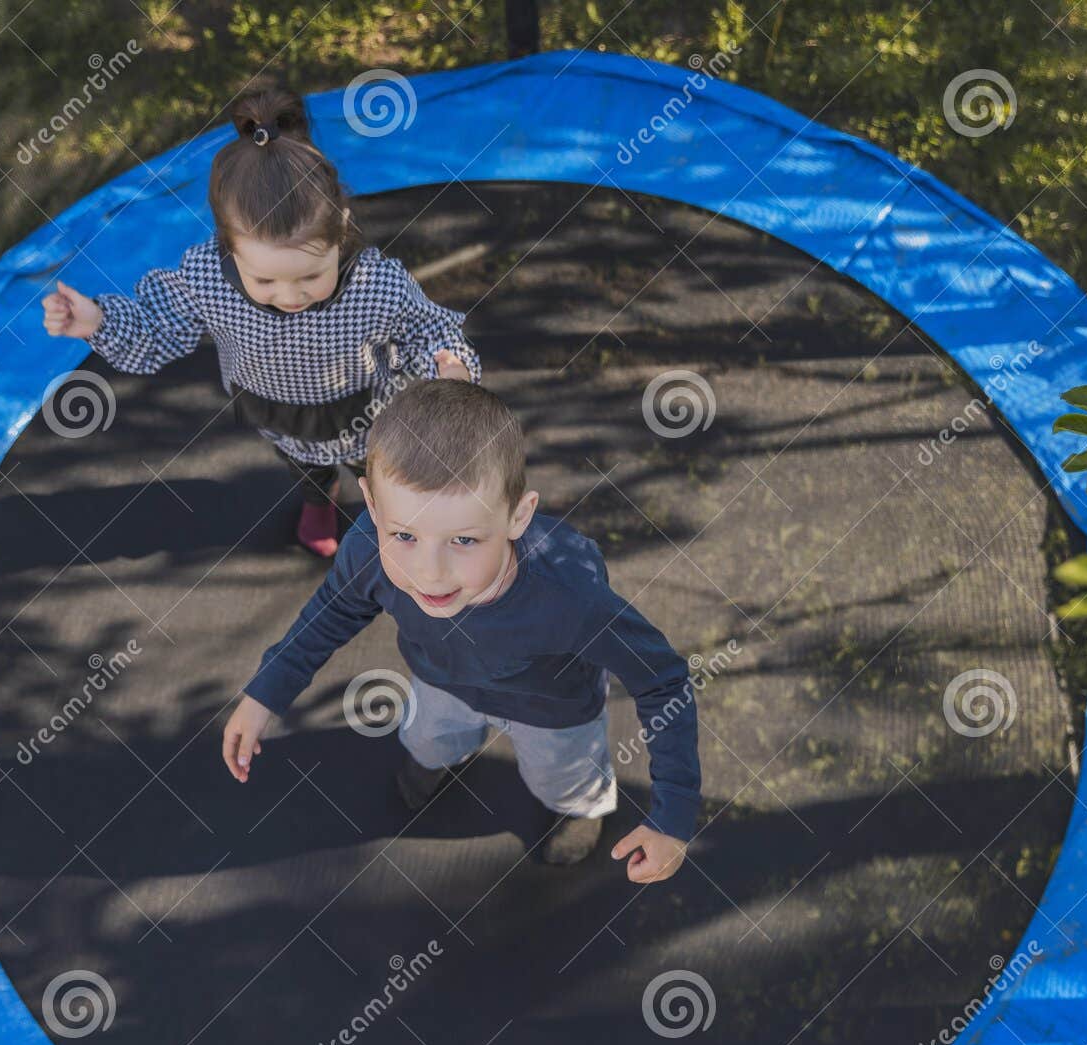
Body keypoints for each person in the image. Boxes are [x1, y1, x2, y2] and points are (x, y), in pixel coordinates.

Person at [222, 379, 700, 880]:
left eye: (464, 540)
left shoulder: (571, 598)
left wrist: (672, 817)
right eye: (404, 534)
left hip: (553, 711)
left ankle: (576, 807)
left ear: (518, 516)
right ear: (371, 502)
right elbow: (330, 614)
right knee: (428, 741)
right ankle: (439, 759)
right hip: (440, 681)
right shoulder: (368, 549)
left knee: (564, 779)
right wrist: (267, 692)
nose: (429, 572)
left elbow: (662, 680)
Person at [41, 78, 480, 556]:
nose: (289, 296)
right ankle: (319, 498)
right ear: (230, 249)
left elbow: (432, 330)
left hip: (368, 413)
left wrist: (451, 368)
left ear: (342, 231)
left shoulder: (375, 284)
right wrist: (98, 321)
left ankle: (387, 517)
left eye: (311, 276)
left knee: (385, 475)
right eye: (265, 282)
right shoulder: (207, 278)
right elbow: (156, 327)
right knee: (303, 467)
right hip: (279, 415)